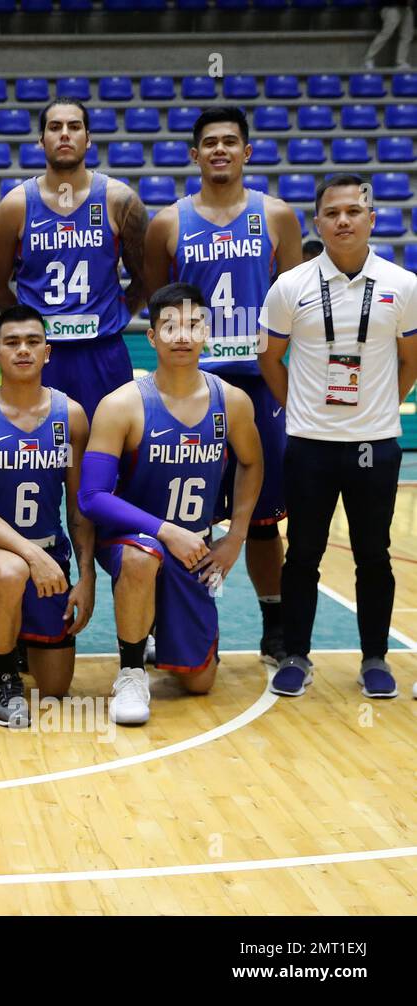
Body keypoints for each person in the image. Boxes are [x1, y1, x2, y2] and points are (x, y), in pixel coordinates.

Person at [143, 106, 303, 668]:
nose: (219, 150)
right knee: (183, 517)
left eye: (230, 142)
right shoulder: (168, 223)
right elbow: (159, 305)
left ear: (246, 152)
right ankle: (167, 622)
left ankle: (275, 626)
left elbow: (293, 304)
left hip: (259, 389)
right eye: (209, 142)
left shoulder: (277, 216)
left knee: (260, 521)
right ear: (194, 154)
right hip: (192, 387)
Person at [257, 174, 417, 700]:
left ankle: (375, 659)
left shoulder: (403, 284)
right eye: (333, 213)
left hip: (376, 441)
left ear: (372, 218)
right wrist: (298, 410)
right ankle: (298, 656)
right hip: (308, 443)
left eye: (354, 211)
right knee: (303, 552)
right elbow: (269, 358)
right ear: (318, 222)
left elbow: (410, 360)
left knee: (375, 554)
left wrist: (380, 408)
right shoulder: (291, 286)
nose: (344, 220)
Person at [78, 283, 263, 725]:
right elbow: (92, 497)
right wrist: (165, 531)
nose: (182, 335)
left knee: (199, 683)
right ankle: (130, 671)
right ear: (152, 337)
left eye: (193, 325)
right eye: (170, 326)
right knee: (143, 559)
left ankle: (158, 624)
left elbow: (252, 465)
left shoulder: (231, 402)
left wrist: (235, 536)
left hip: (196, 548)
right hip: (132, 540)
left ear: (207, 333)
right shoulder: (121, 405)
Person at [0, 304, 95, 728]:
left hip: (52, 551)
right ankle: (3, 676)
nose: (23, 350)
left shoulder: (71, 416)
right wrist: (31, 554)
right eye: (12, 343)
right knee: (11, 573)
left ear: (48, 351)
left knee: (55, 687)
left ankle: (15, 630)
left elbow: (79, 505)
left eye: (33, 342)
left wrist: (86, 576)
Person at [0, 98, 148, 423]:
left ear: (88, 138)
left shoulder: (120, 201)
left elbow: (146, 279)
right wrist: (32, 326)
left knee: (111, 455)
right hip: (42, 354)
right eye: (54, 127)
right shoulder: (15, 205)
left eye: (74, 127)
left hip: (104, 350)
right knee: (43, 457)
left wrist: (113, 316)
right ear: (40, 139)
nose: (64, 134)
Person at [363, 1, 412, 69]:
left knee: (407, 36)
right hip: (391, 7)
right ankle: (368, 59)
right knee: (386, 33)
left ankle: (401, 62)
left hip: (406, 7)